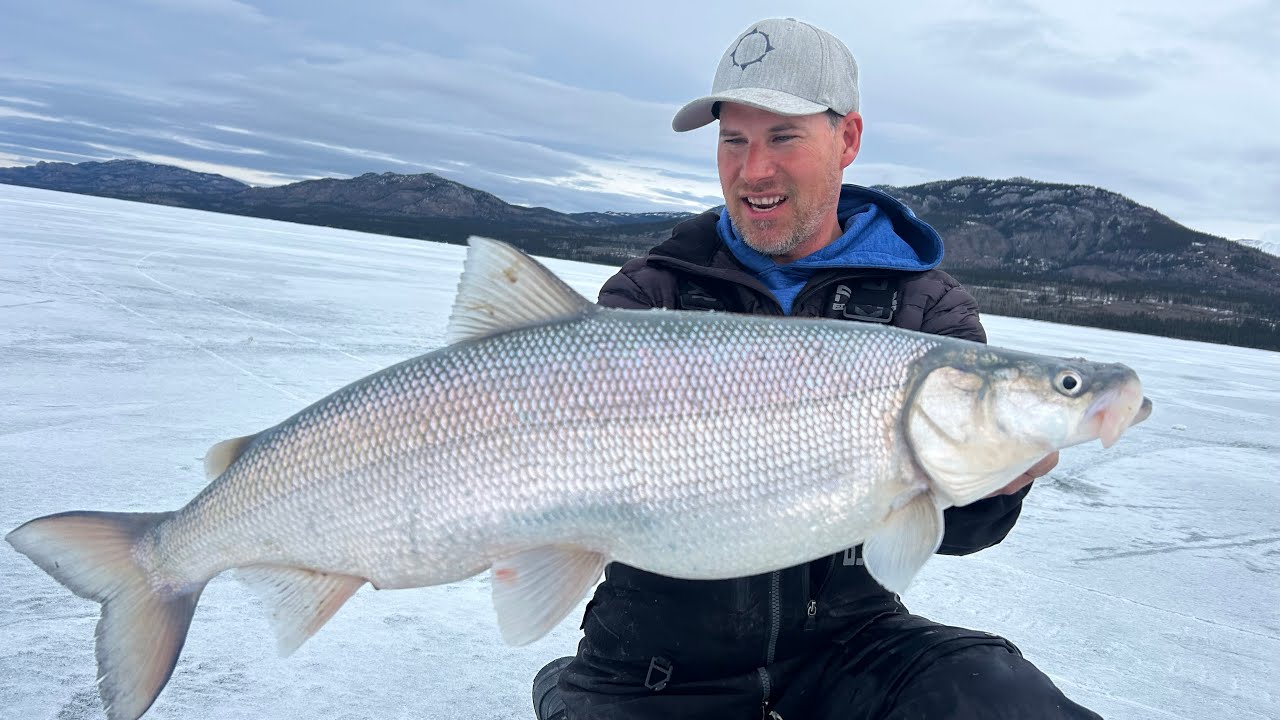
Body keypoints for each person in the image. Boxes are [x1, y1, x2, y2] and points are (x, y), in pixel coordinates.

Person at [532, 17, 1098, 720]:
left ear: (848, 139)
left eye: (783, 137)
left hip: (850, 644)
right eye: (733, 139)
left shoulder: (927, 308)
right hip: (656, 662)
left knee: (1006, 703)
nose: (753, 169)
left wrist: (989, 483)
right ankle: (570, 690)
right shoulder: (652, 293)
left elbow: (964, 533)